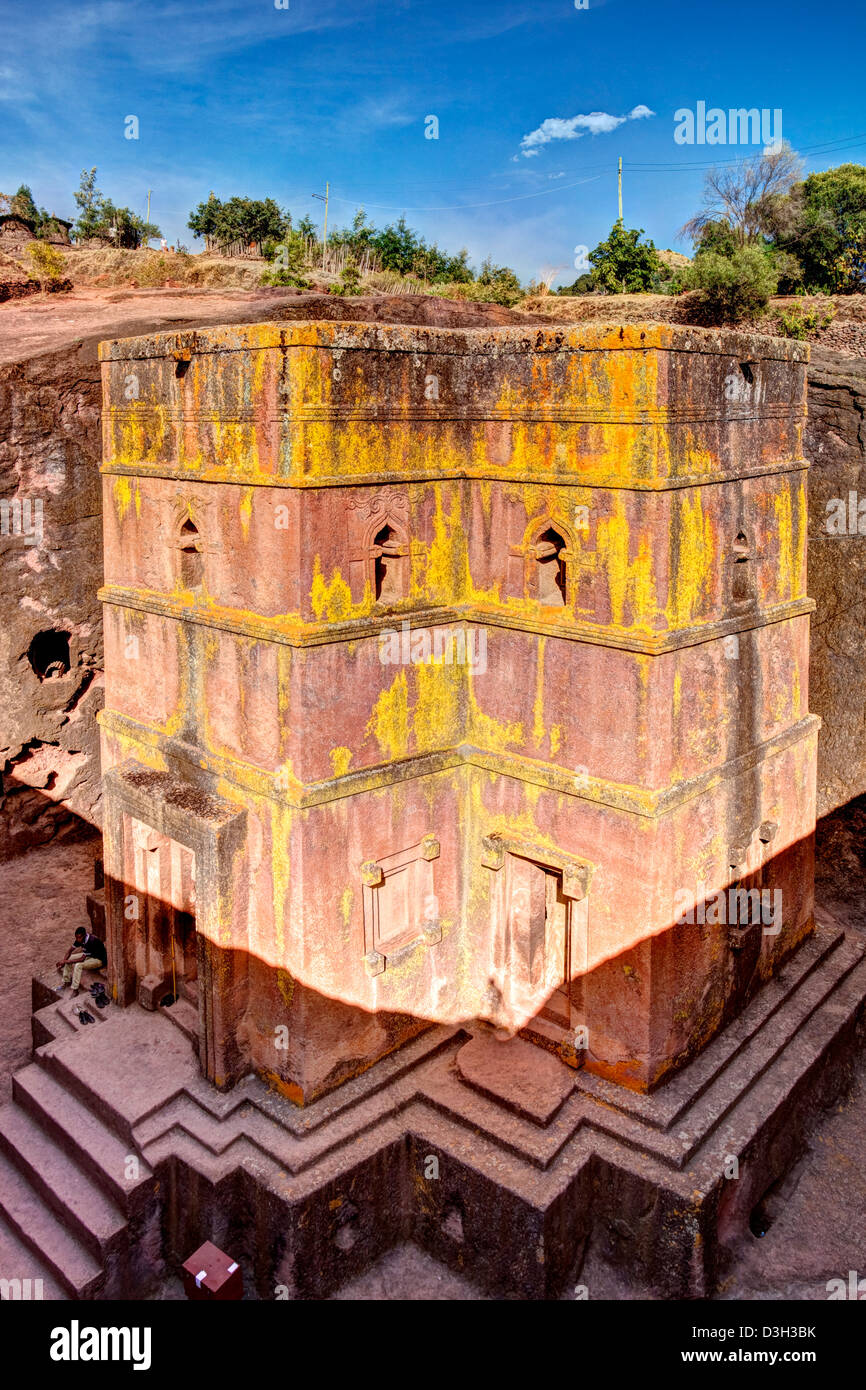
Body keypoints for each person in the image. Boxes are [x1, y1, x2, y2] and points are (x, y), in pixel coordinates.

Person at [56, 927, 107, 995]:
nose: (77, 939)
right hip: (89, 956)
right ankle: (66, 981)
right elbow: (69, 950)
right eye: (76, 937)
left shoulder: (91, 941)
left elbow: (81, 959)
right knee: (69, 958)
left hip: (99, 960)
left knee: (78, 965)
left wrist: (65, 962)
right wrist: (64, 961)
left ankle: (75, 989)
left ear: (84, 935)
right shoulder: (80, 939)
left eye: (79, 937)